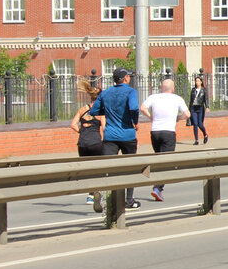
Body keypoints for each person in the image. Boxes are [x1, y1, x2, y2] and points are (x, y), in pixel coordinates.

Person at [88, 68, 142, 210]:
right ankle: (129, 200)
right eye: (128, 76)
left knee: (107, 167)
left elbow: (93, 111)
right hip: (127, 135)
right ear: (125, 78)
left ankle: (101, 192)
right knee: (131, 168)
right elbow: (134, 108)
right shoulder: (131, 92)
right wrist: (134, 121)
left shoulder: (106, 93)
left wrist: (107, 112)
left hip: (110, 135)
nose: (129, 78)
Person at [140, 78, 190, 202]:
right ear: (172, 89)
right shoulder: (177, 98)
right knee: (166, 162)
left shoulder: (154, 97)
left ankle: (157, 183)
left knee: (158, 158)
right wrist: (178, 117)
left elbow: (142, 108)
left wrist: (150, 116)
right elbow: (187, 114)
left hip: (155, 132)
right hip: (168, 132)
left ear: (161, 88)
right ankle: (158, 188)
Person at [71, 79, 104, 210]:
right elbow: (105, 128)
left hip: (82, 144)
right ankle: (96, 192)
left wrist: (82, 131)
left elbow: (73, 125)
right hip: (95, 143)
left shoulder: (82, 110)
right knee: (97, 169)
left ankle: (89, 195)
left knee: (87, 169)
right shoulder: (101, 112)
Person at [188, 74, 209, 144]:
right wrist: (189, 109)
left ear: (201, 82)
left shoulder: (204, 90)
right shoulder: (193, 90)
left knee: (200, 124)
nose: (197, 82)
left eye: (198, 81)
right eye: (196, 81)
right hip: (193, 108)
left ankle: (205, 134)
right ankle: (196, 140)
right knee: (195, 124)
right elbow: (191, 100)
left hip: (200, 108)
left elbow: (205, 99)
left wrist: (207, 107)